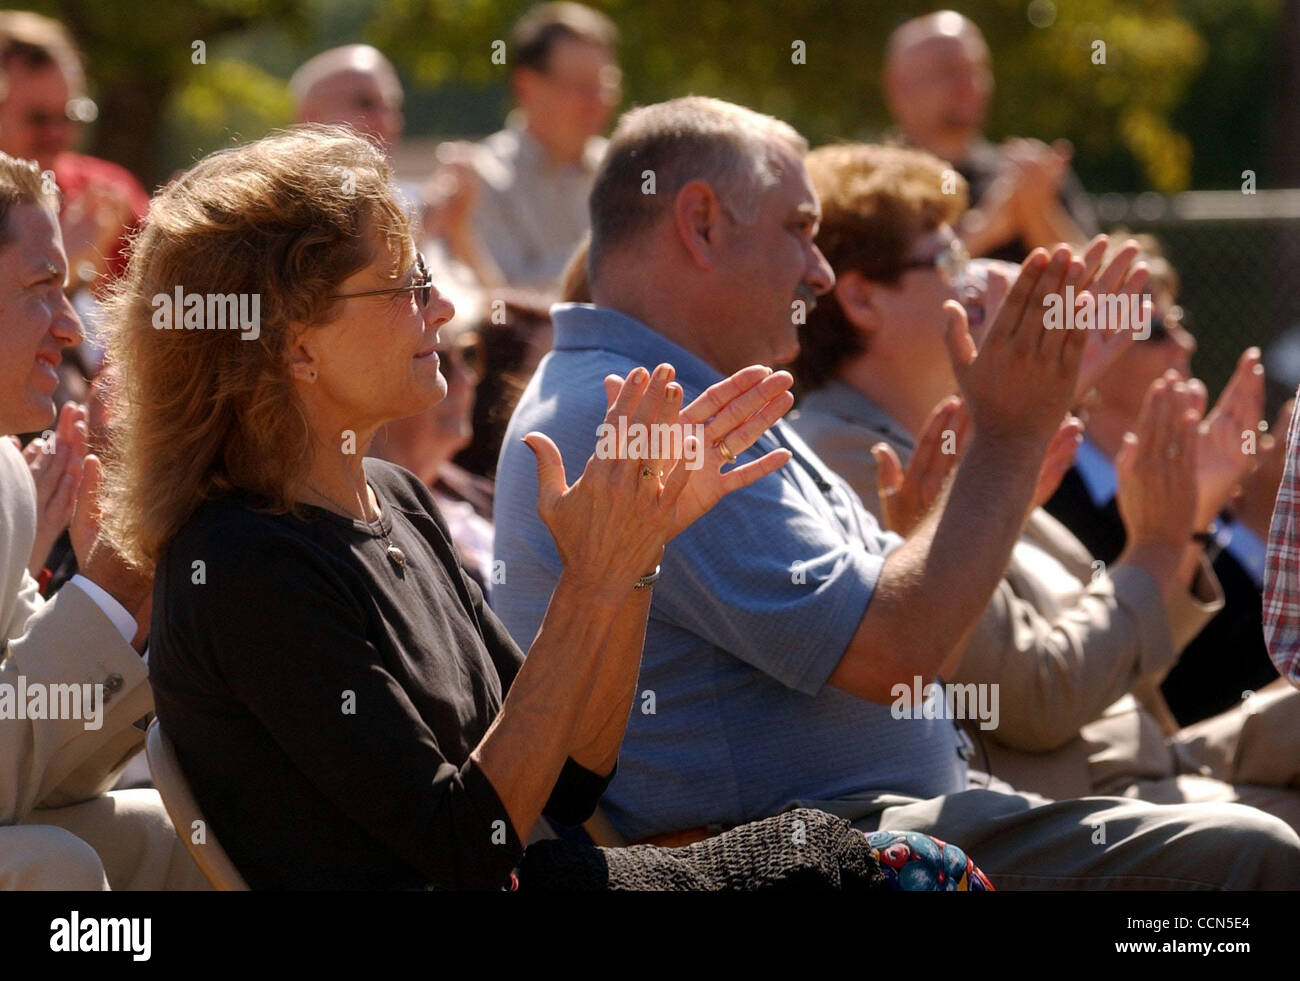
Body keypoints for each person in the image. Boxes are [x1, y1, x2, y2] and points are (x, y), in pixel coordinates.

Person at [103, 125, 940, 891]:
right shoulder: (245, 565)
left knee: (870, 862)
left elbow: (573, 774)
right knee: (885, 873)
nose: (439, 308)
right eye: (404, 286)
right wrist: (590, 583)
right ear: (294, 343)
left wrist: (631, 559)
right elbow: (465, 841)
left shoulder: (391, 497)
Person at [491, 95, 1300, 889]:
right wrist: (1011, 439)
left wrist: (994, 468)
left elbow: (920, 642)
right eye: (799, 231)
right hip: (834, 851)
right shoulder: (635, 410)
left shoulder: (684, 395)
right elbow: (898, 652)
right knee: (1250, 852)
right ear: (700, 223)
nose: (819, 268)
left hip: (893, 823)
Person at [788, 142, 1300, 831]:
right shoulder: (854, 456)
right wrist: (1161, 541)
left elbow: (1123, 673)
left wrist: (1190, 521)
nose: (981, 279)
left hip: (1155, 766)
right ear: (859, 298)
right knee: (1269, 843)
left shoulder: (971, 440)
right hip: (1086, 800)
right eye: (949, 261)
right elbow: (1040, 698)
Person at [0, 150, 204, 890]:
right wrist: (107, 591)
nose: (68, 327)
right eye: (42, 288)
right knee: (54, 866)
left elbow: (45, 776)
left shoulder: (4, 473)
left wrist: (126, 603)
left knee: (184, 840)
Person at [1044, 236, 1279, 725]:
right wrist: (1205, 517)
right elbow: (1162, 678)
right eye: (1154, 330)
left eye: (1178, 323)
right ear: (1087, 348)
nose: (1184, 344)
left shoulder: (1201, 458)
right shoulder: (1050, 493)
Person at [883, 10, 1095, 262]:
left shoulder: (1029, 174)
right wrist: (986, 229)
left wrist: (1038, 214)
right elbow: (886, 289)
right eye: (948, 71)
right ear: (899, 86)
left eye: (976, 68)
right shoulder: (874, 185)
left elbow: (1094, 293)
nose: (968, 84)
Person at [459, 2, 619, 288]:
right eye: (580, 86)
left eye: (605, 85)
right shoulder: (483, 178)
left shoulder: (624, 169)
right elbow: (505, 297)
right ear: (526, 87)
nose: (598, 102)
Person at [0, 11, 148, 297]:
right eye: (38, 118)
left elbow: (166, 311)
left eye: (69, 115)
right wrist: (60, 262)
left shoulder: (106, 193)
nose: (57, 134)